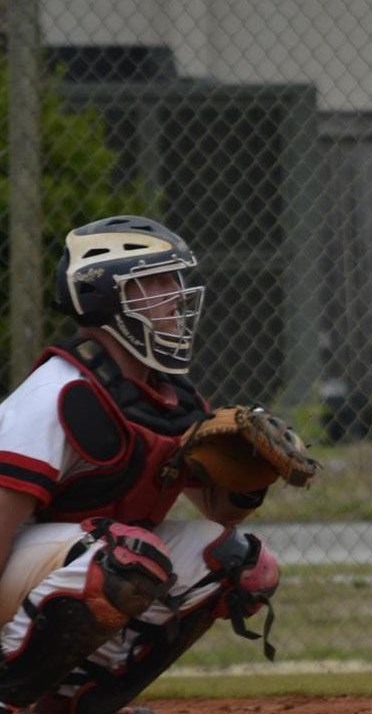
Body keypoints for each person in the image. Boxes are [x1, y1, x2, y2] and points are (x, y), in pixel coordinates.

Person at [0, 215, 284, 713]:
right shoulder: (60, 392)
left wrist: (249, 475)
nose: (174, 295)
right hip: (22, 566)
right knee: (127, 556)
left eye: (173, 280)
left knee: (240, 565)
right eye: (154, 282)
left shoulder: (168, 397)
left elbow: (220, 513)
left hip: (71, 565)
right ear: (105, 298)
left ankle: (73, 704)